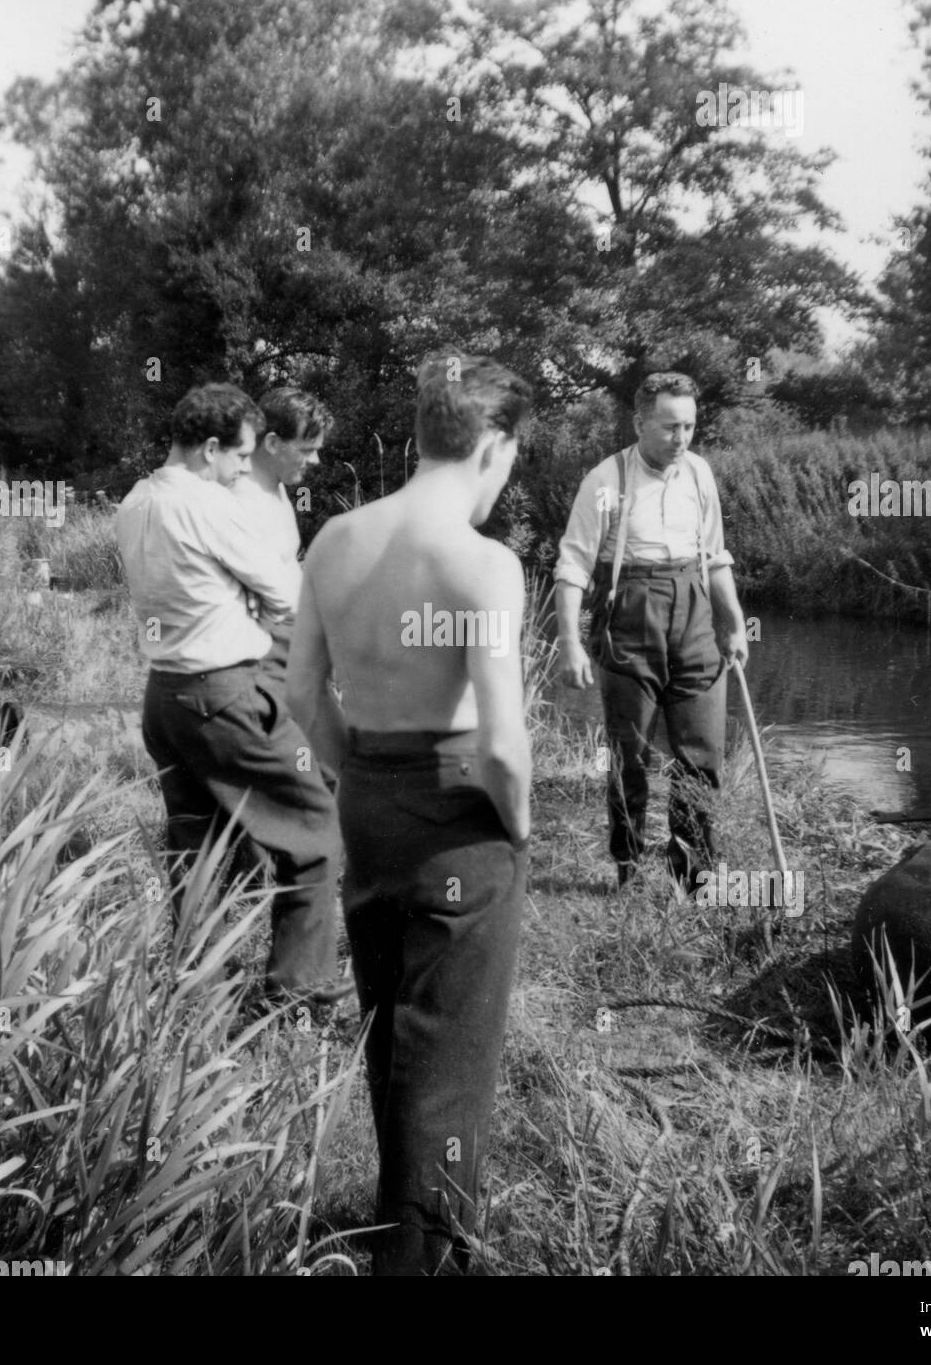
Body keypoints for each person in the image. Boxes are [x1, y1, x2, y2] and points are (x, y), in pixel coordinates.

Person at [288, 350, 533, 1275]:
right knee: (451, 1057)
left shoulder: (335, 539)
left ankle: (402, 1220)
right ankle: (424, 1257)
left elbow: (302, 689)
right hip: (457, 808)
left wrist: (362, 771)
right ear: (494, 444)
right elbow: (505, 744)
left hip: (369, 799)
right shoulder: (482, 564)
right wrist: (517, 828)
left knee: (391, 1025)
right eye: (510, 459)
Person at [114, 383, 348, 1007]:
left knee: (196, 846)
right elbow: (288, 595)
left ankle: (193, 992)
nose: (244, 471)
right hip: (224, 693)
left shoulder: (135, 499)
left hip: (165, 696)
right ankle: (301, 990)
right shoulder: (208, 504)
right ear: (209, 448)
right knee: (315, 824)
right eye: (239, 458)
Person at [553, 371, 748, 890]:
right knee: (629, 757)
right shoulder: (605, 480)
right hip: (631, 617)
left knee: (702, 754)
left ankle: (694, 876)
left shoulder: (700, 473)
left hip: (696, 617)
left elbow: (715, 556)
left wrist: (732, 625)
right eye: (668, 427)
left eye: (688, 426)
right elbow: (572, 566)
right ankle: (629, 871)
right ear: (639, 422)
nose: (680, 438)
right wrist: (570, 641)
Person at [230, 386, 332, 679]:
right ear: (273, 443)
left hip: (289, 652)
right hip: (261, 663)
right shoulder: (238, 500)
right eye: (307, 450)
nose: (315, 461)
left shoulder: (275, 486)